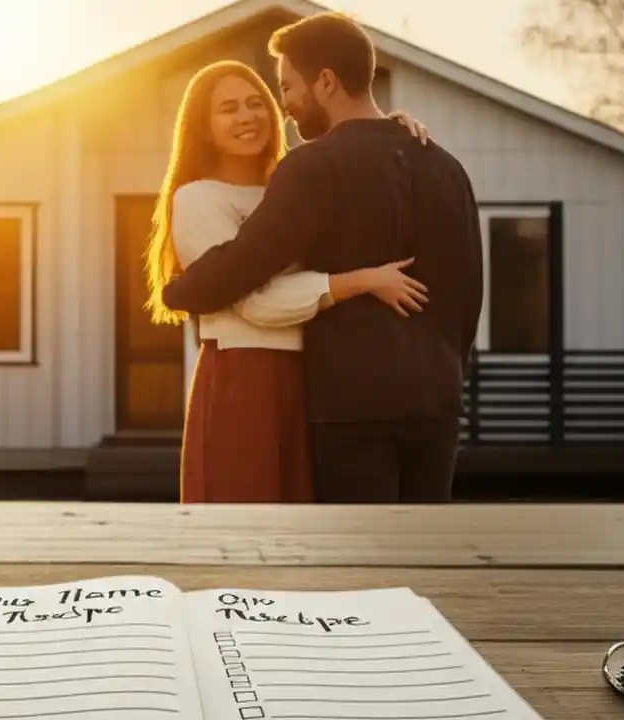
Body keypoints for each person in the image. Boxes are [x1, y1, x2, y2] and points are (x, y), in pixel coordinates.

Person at [163, 13, 484, 503]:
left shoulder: (312, 167)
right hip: (437, 402)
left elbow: (242, 266)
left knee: (358, 567)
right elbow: (470, 293)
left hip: (350, 404)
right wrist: (442, 370)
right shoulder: (446, 166)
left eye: (286, 87)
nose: (285, 106)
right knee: (424, 559)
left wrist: (181, 290)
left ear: (326, 82)